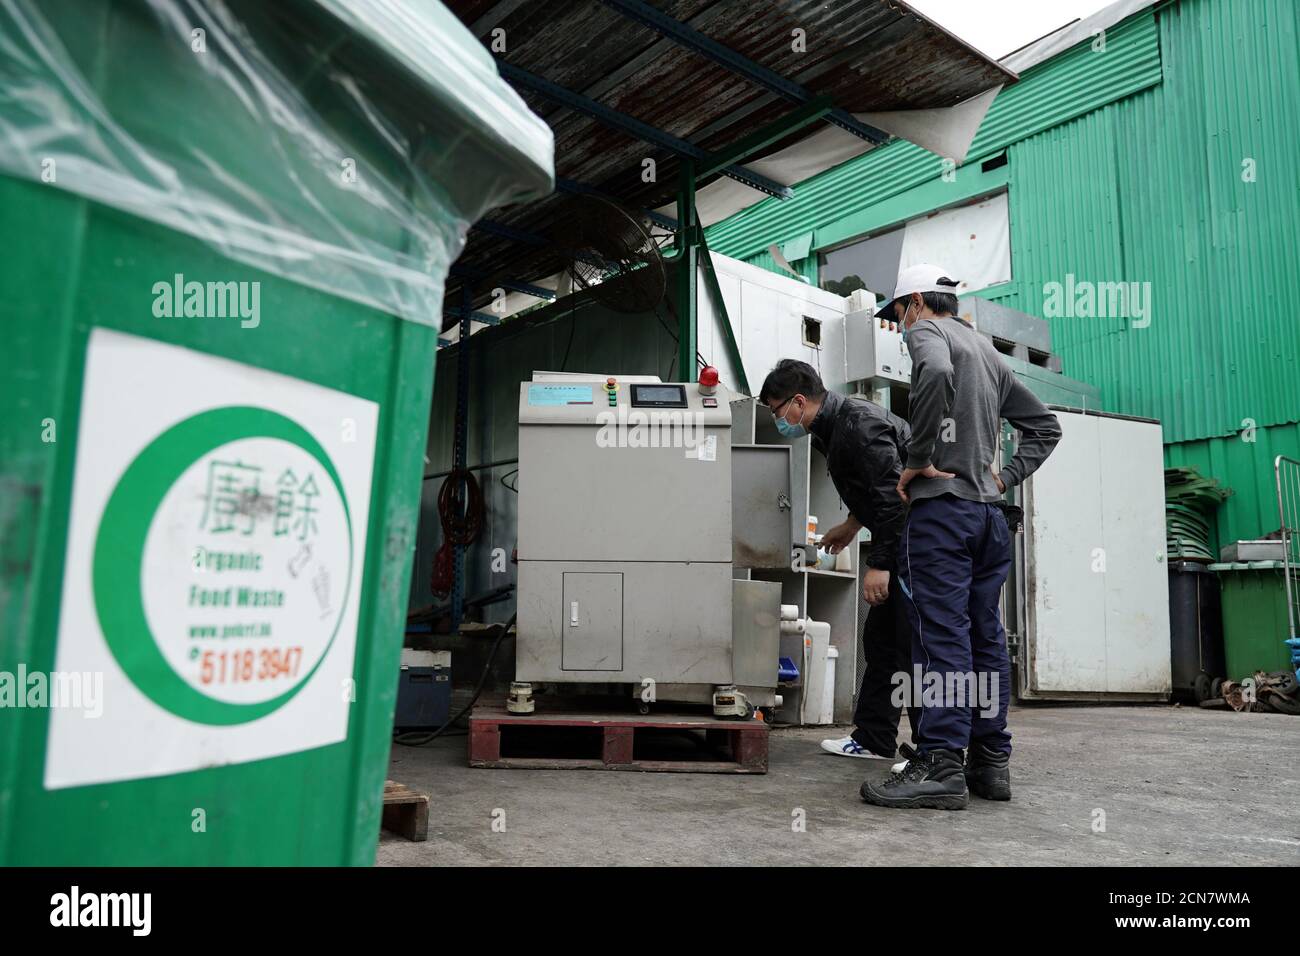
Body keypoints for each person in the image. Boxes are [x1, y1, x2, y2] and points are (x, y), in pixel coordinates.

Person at [860, 264, 1061, 811]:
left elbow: (934, 372)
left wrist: (918, 457)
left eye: (897, 313)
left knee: (941, 638)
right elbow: (1046, 427)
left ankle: (942, 762)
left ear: (918, 302)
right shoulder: (988, 350)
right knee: (984, 638)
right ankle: (990, 761)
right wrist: (1007, 475)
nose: (898, 327)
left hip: (943, 516)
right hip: (989, 517)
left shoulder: (930, 332)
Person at [759, 360, 918, 763]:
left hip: (917, 546)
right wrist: (851, 524)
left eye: (778, 412)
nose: (779, 420)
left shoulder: (858, 427)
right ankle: (875, 740)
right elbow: (872, 489)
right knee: (883, 642)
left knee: (914, 644)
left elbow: (894, 500)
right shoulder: (830, 427)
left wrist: (880, 563)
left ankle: (932, 752)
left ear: (798, 402)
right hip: (900, 539)